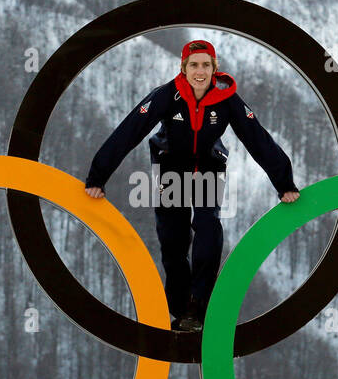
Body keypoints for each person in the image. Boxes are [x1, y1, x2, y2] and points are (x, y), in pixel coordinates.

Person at [84, 39, 300, 331]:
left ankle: (199, 305)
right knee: (173, 242)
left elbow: (257, 138)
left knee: (208, 229)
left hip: (208, 169)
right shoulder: (166, 96)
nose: (200, 71)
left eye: (206, 65)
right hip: (170, 169)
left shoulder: (227, 99)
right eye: (194, 65)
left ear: (215, 68)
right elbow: (129, 130)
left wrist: (284, 183)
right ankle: (181, 309)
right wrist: (98, 177)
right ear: (183, 68)